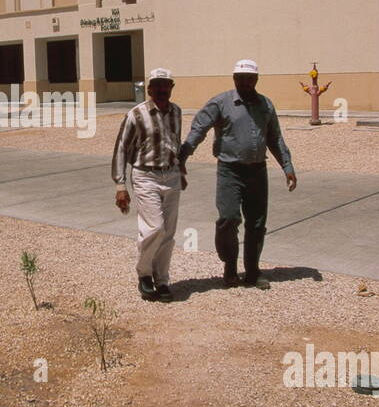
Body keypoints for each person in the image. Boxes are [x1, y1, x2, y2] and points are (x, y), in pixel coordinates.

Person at [179, 59, 296, 289]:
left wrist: (287, 166)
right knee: (228, 218)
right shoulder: (221, 103)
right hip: (229, 171)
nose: (245, 83)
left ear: (256, 79)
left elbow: (274, 137)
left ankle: (252, 271)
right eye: (241, 78)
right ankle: (230, 266)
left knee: (256, 223)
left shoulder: (266, 105)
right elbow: (199, 128)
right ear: (234, 79)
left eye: (250, 79)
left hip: (257, 171)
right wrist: (183, 155)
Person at [112, 68, 186, 302]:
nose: (162, 89)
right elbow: (121, 148)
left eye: (166, 85)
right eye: (157, 85)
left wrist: (181, 170)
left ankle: (162, 279)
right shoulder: (136, 114)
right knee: (155, 228)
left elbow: (175, 143)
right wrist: (120, 185)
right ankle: (144, 273)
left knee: (168, 232)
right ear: (149, 88)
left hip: (171, 176)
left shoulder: (177, 112)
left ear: (171, 87)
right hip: (145, 176)